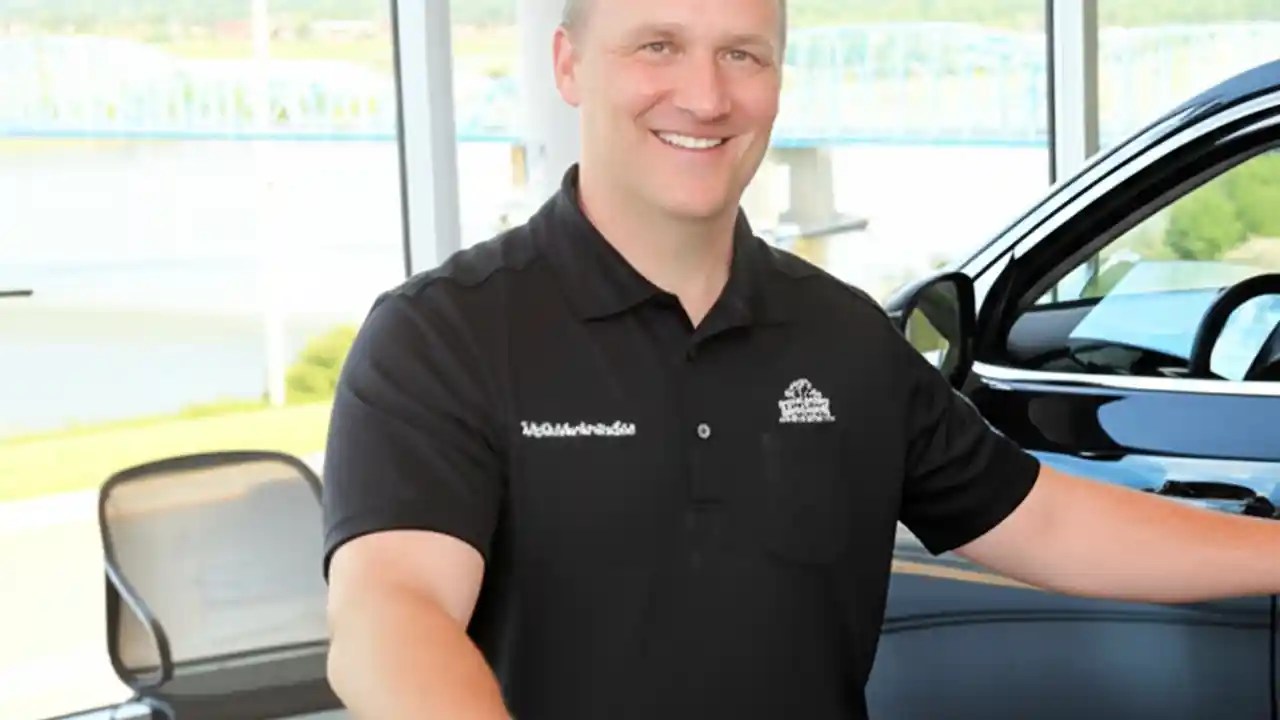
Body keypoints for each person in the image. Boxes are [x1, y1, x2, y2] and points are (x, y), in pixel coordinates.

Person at [320, 1, 1280, 718]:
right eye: (658, 45)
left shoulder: (843, 335)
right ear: (570, 64)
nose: (704, 94)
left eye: (743, 54)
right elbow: (391, 613)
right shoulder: (441, 335)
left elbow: (1048, 521)